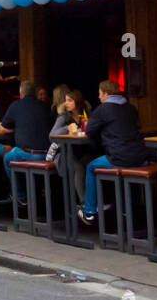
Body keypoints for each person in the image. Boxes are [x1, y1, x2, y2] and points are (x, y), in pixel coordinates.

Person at [77, 80, 148, 226]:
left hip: (119, 156)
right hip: (140, 156)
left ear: (106, 93)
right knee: (126, 171)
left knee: (90, 166)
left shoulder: (103, 109)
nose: (99, 97)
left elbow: (90, 131)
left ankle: (89, 212)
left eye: (100, 94)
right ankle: (128, 209)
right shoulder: (130, 107)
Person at [0, 80, 53, 211]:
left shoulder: (15, 105)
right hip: (46, 154)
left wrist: (13, 128)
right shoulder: (44, 106)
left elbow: (4, 128)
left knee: (7, 158)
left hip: (26, 152)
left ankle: (20, 195)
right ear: (35, 93)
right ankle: (35, 195)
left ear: (21, 92)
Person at [48, 89, 89, 206]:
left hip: (81, 152)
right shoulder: (63, 118)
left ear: (78, 102)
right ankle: (85, 204)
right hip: (64, 155)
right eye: (66, 101)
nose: (66, 103)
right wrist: (68, 128)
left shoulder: (86, 116)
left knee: (92, 164)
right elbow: (51, 135)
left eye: (70, 101)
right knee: (79, 168)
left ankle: (96, 201)